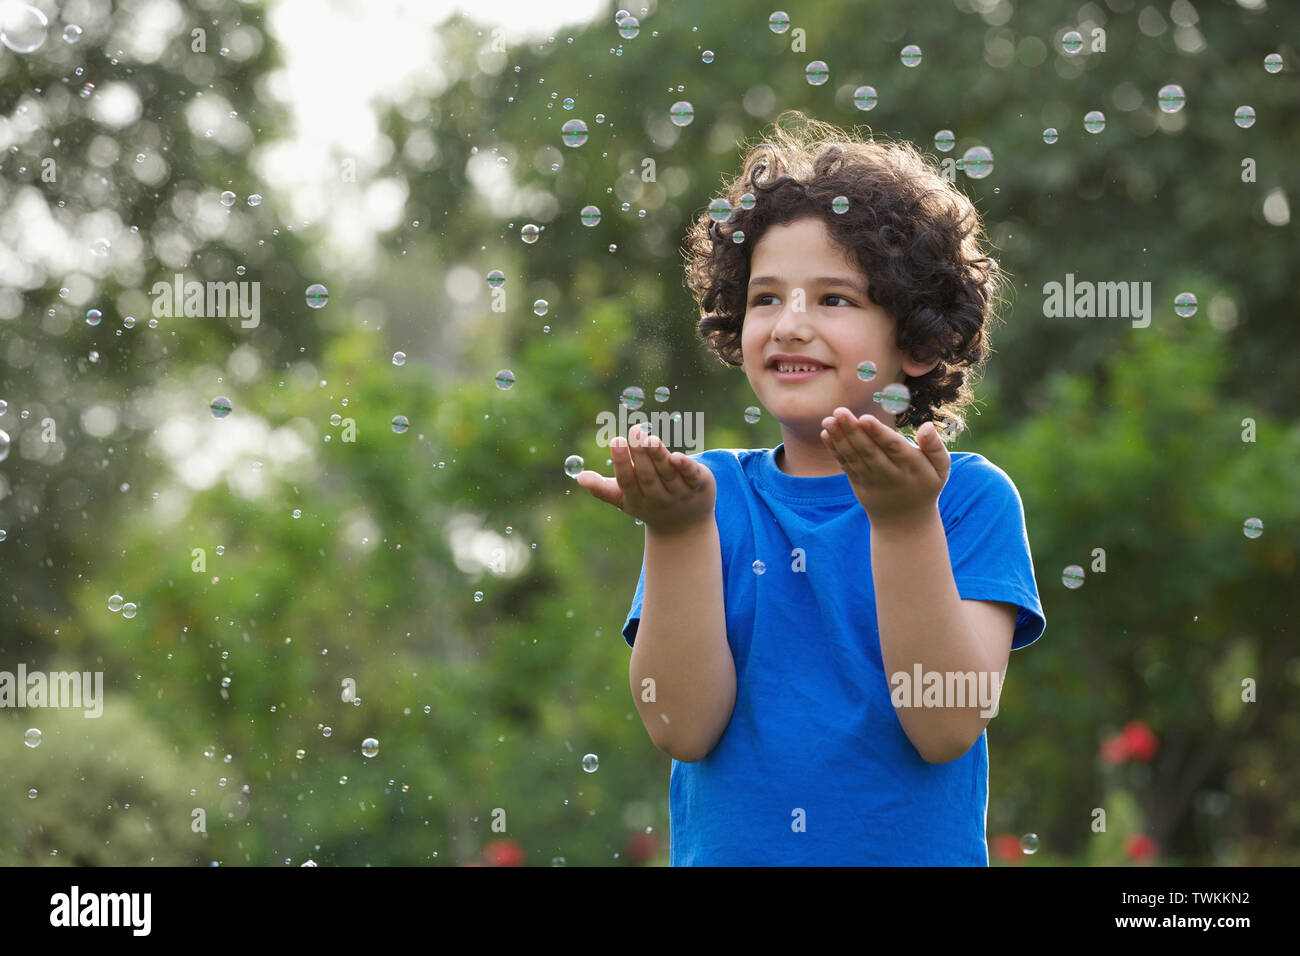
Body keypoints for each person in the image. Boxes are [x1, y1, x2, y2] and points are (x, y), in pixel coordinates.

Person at [576, 110, 1045, 865]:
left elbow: (946, 723)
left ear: (921, 342)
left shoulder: (965, 501)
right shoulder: (709, 496)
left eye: (834, 299)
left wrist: (901, 522)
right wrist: (676, 532)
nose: (790, 324)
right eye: (766, 298)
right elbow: (681, 726)